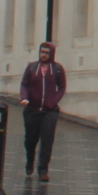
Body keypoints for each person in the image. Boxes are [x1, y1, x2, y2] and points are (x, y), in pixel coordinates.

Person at [19, 40, 65, 182]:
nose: (44, 55)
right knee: (30, 140)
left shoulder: (57, 69)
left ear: (52, 54)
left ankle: (43, 169)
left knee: (47, 140)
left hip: (49, 111)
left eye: (47, 53)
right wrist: (24, 97)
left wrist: (53, 101)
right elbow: (24, 84)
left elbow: (62, 88)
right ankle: (30, 160)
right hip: (32, 109)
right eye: (42, 52)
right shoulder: (32, 67)